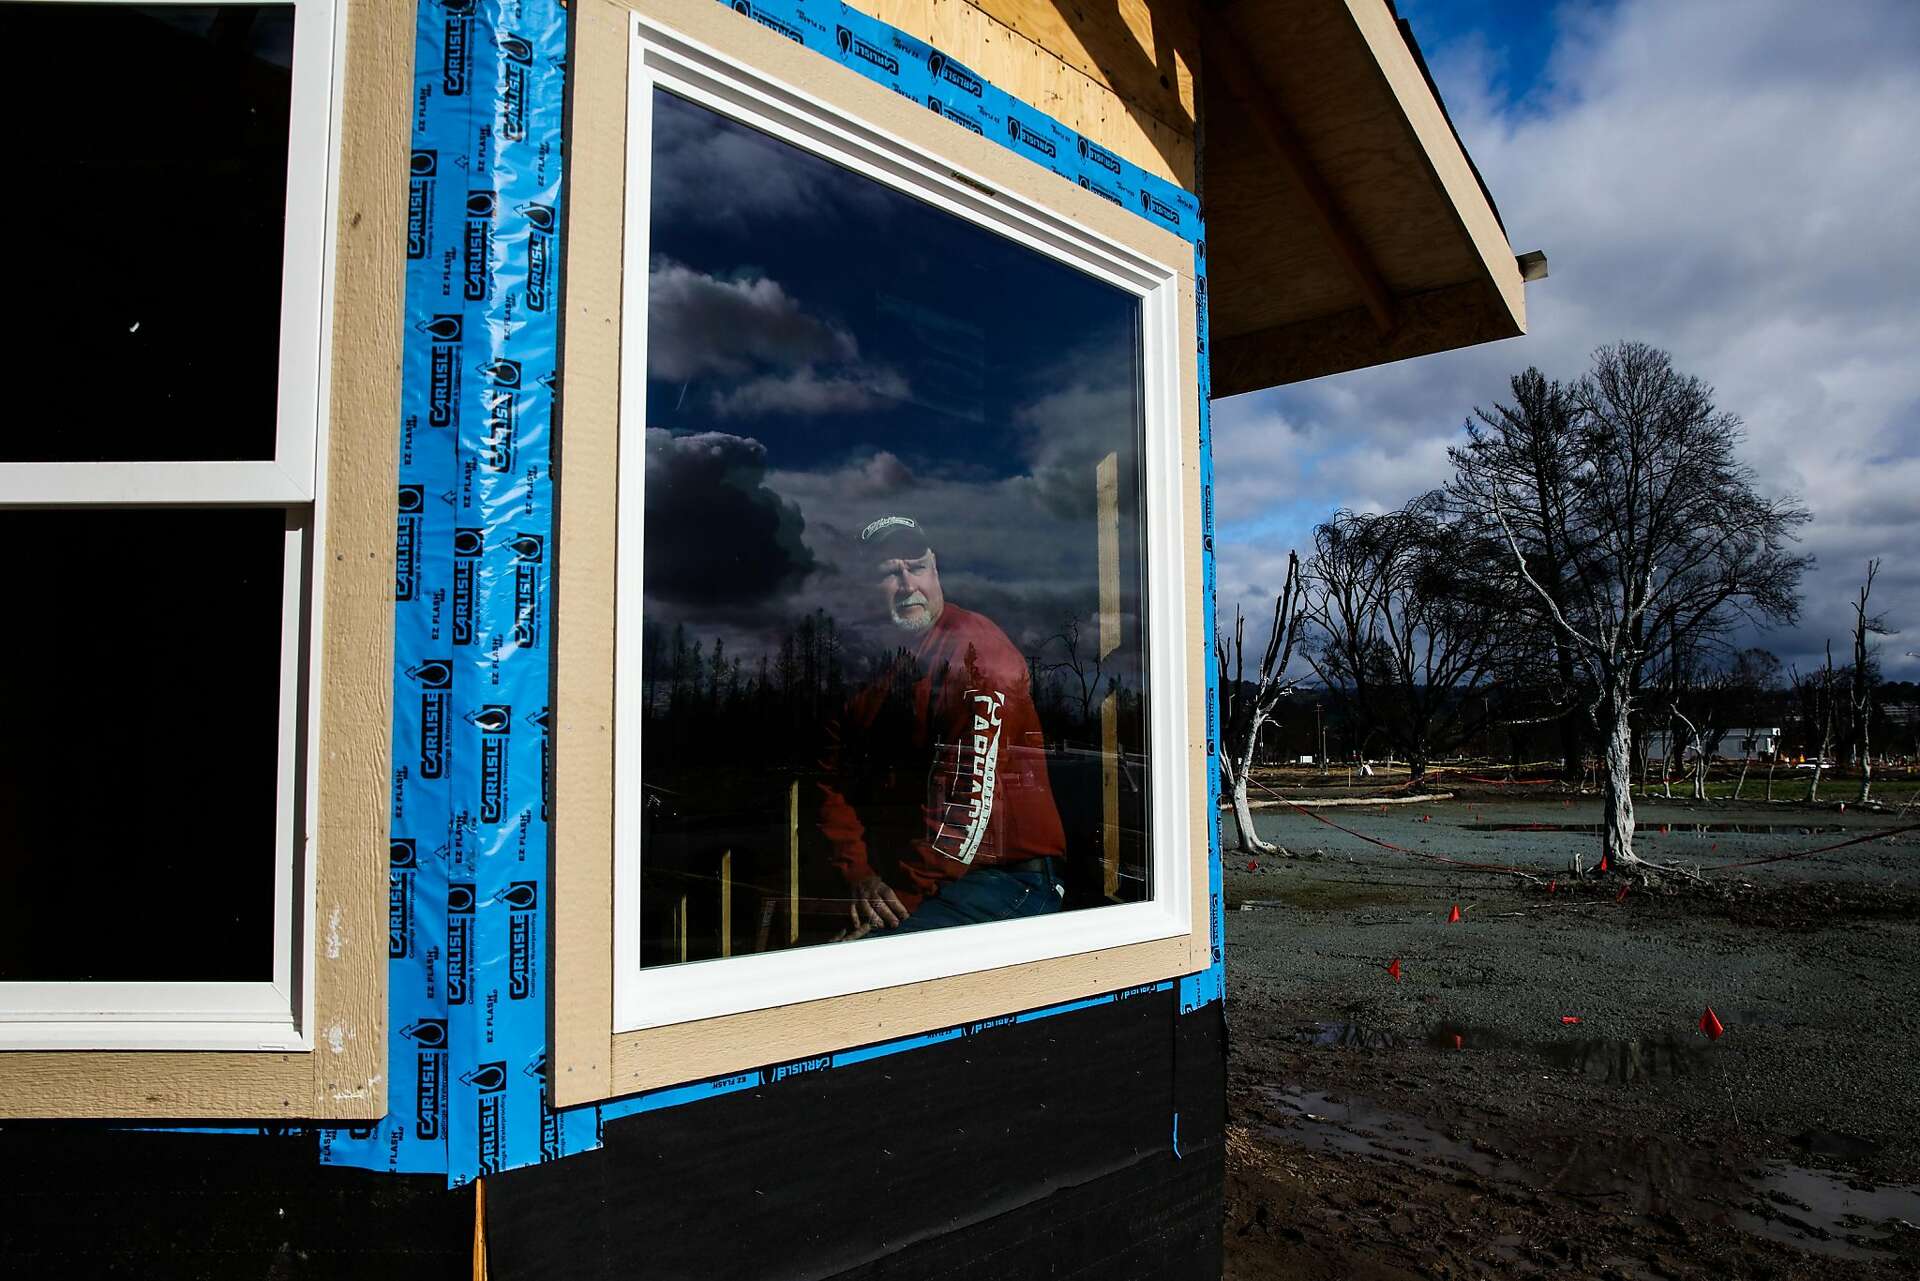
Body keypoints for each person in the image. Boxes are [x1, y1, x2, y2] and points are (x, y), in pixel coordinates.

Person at [818, 514, 1068, 938]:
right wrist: (858, 874)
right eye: (888, 574)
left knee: (862, 961)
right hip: (916, 873)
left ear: (935, 569)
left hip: (1008, 879)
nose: (907, 584)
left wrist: (895, 899)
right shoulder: (869, 669)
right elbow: (830, 780)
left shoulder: (976, 654)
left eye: (916, 567)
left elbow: (965, 807)